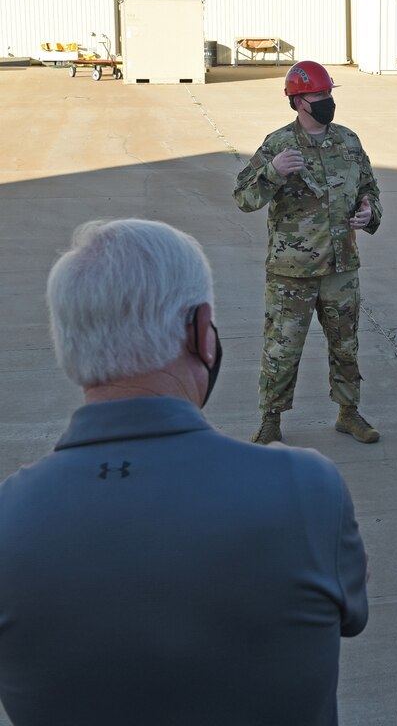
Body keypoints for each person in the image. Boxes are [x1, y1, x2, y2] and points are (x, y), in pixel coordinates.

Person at [0, 219, 368, 726]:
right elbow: (349, 616)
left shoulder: (9, 519)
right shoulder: (305, 490)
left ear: (68, 344)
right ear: (202, 332)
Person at [234, 60, 383, 445]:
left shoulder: (348, 141)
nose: (327, 101)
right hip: (292, 272)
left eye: (329, 94)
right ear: (299, 101)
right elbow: (244, 198)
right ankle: (270, 420)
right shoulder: (278, 145)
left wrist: (369, 213)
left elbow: (369, 188)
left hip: (341, 267)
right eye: (319, 95)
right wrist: (274, 172)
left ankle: (348, 413)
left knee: (346, 346)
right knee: (282, 350)